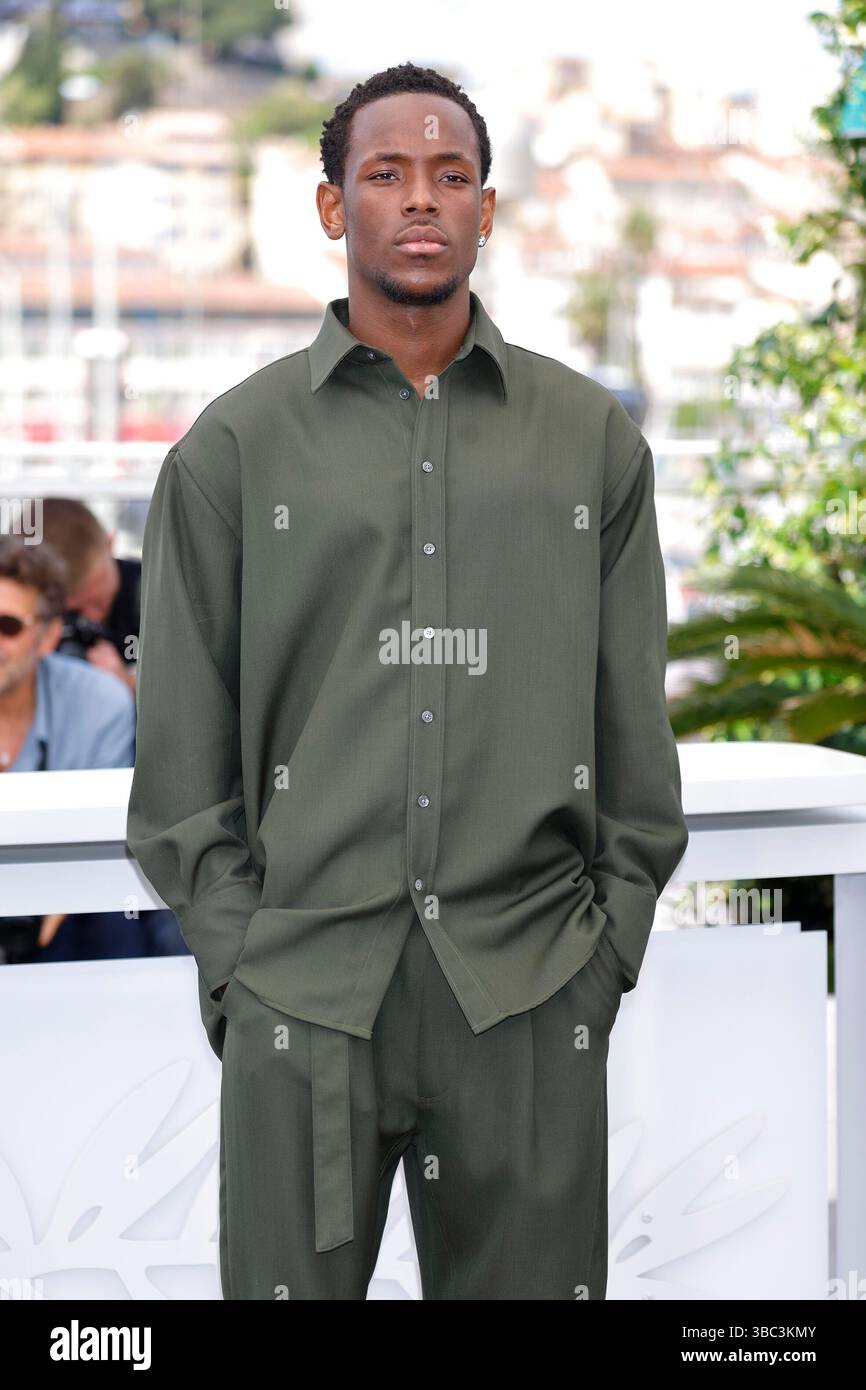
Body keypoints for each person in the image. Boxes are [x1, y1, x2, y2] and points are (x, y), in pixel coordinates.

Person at [126, 61, 689, 1301]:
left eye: (450, 176)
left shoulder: (590, 443)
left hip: (531, 988)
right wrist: (243, 964)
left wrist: (602, 955)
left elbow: (634, 737)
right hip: (304, 997)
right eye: (384, 174)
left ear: (487, 210)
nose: (420, 199)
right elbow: (178, 771)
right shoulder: (231, 450)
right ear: (333, 208)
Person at [0, 534, 182, 964]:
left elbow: (110, 845)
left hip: (69, 910)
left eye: (8, 626)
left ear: (49, 636)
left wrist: (62, 891)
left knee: (120, 925)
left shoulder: (99, 706)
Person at [39, 498, 140, 698]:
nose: (91, 619)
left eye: (97, 602)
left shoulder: (154, 596)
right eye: (71, 613)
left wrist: (131, 687)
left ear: (110, 545)